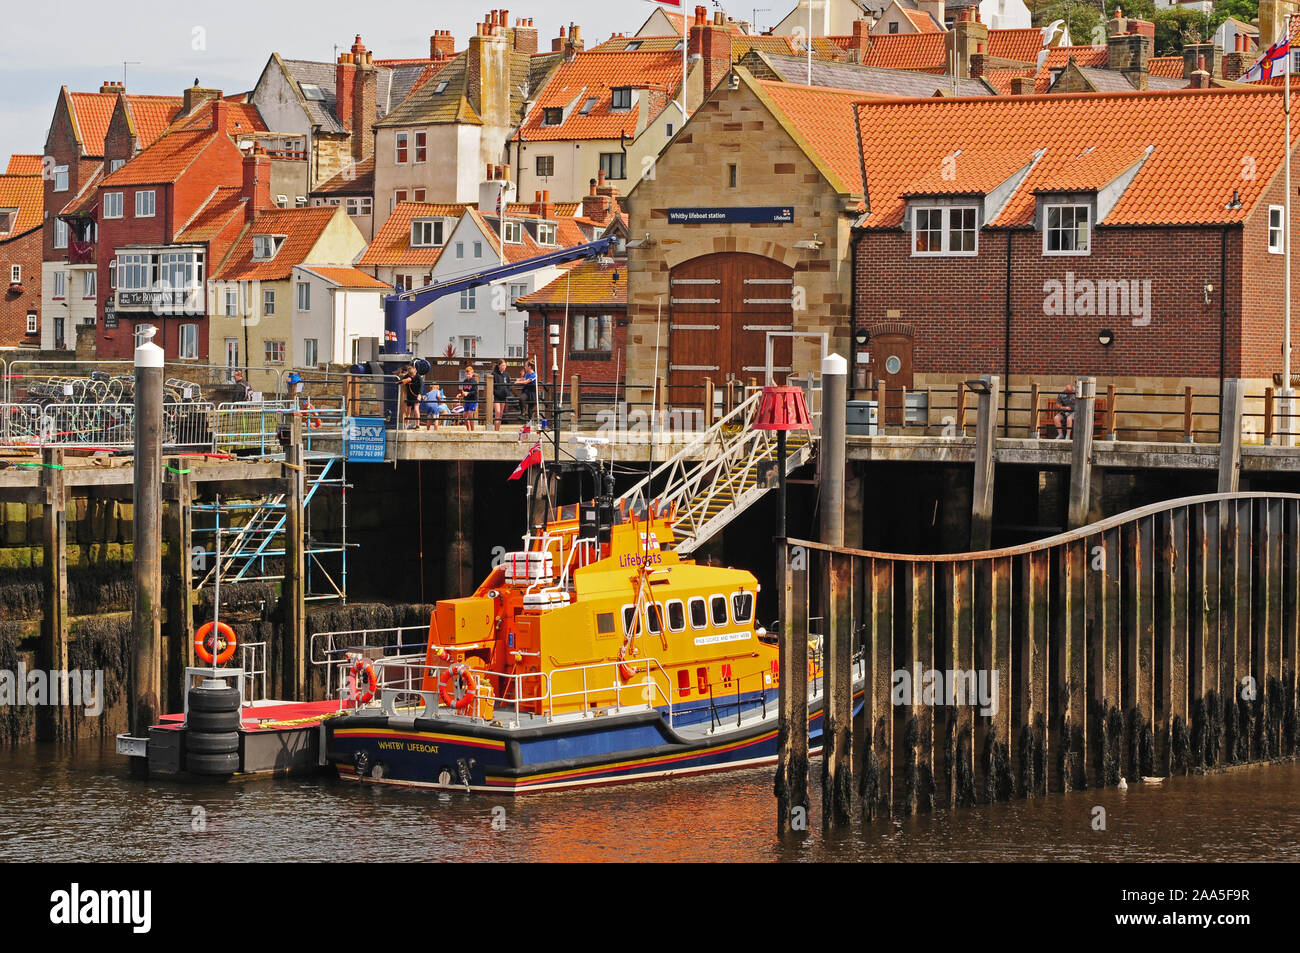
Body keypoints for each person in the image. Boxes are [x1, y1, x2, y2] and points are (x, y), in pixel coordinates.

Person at [396, 363, 422, 430]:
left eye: (412, 374)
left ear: (415, 371)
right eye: (410, 374)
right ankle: (406, 424)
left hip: (416, 394)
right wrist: (400, 381)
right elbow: (401, 381)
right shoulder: (407, 376)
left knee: (416, 408)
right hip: (410, 394)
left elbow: (421, 387)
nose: (412, 376)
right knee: (408, 410)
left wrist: (419, 394)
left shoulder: (418, 377)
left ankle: (418, 425)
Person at [457, 363, 479, 432]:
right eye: (466, 374)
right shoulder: (465, 381)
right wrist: (460, 394)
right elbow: (464, 390)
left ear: (472, 374)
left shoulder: (474, 381)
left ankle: (472, 430)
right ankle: (468, 429)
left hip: (473, 400)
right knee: (464, 415)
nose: (468, 375)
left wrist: (468, 393)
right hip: (467, 401)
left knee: (470, 414)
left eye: (469, 374)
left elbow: (475, 392)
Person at [491, 359, 510, 432]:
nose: (504, 367)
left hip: (503, 396)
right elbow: (492, 386)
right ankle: (496, 430)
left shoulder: (506, 374)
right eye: (502, 365)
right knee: (497, 412)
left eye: (505, 365)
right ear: (499, 366)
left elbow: (508, 384)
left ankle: (498, 429)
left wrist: (507, 392)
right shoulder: (494, 374)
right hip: (496, 396)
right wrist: (495, 392)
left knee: (501, 414)